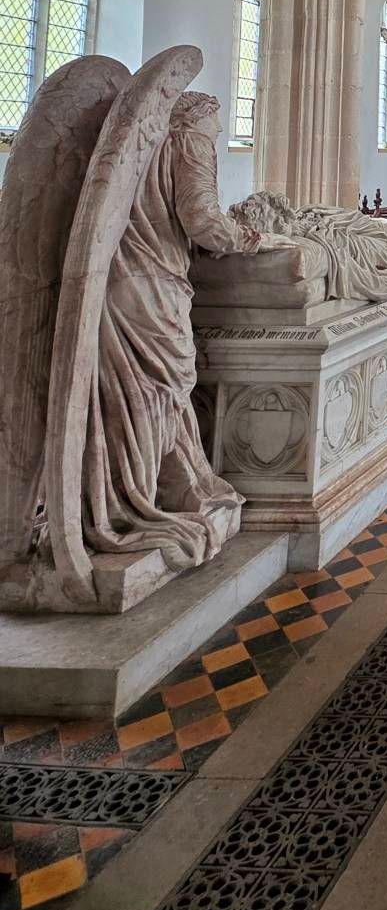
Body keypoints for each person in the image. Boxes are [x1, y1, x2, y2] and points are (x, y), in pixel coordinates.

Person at [85, 91, 261, 573]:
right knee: (156, 393)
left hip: (118, 284)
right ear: (200, 121)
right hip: (152, 289)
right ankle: (136, 502)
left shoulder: (133, 148)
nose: (221, 136)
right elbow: (203, 219)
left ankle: (124, 494)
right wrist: (248, 238)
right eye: (218, 127)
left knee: (134, 397)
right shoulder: (189, 143)